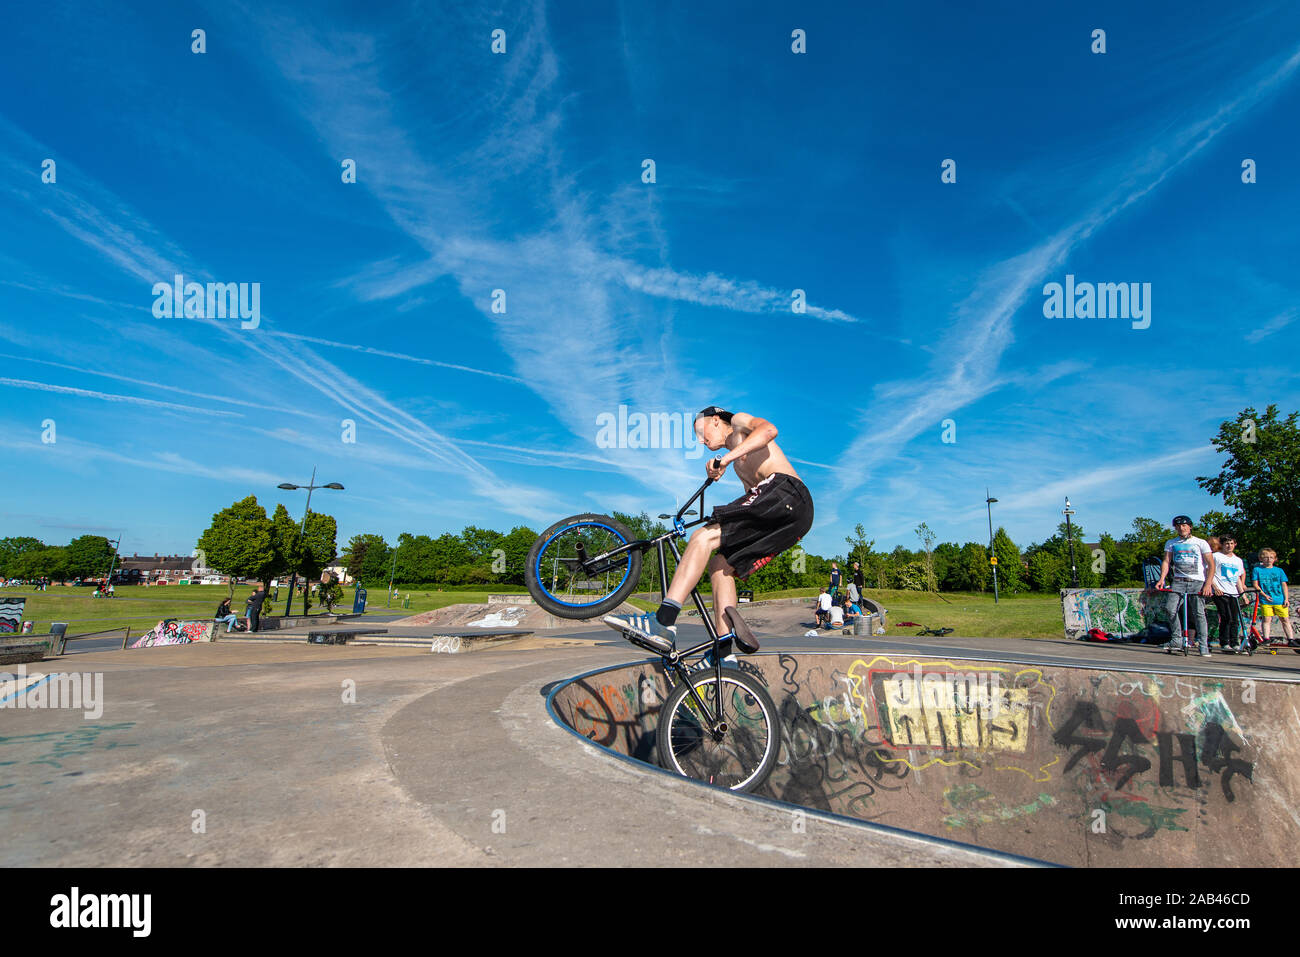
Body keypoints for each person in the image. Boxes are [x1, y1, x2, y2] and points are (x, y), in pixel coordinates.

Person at [604, 406, 814, 655]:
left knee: (703, 536)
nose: (701, 441)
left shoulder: (738, 423)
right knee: (720, 565)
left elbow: (769, 430)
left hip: (788, 492)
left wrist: (725, 459)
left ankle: (663, 621)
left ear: (715, 420)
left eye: (701, 433)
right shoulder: (738, 466)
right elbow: (751, 507)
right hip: (792, 519)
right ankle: (724, 653)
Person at [1155, 515, 1215, 656]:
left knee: (1199, 612)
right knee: (1170, 609)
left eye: (1184, 525)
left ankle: (1203, 645)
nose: (1182, 528)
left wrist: (1208, 584)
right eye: (1178, 526)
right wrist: (1162, 579)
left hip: (1197, 581)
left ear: (1190, 526)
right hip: (1178, 581)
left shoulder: (1200, 543)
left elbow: (1211, 564)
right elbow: (1166, 561)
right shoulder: (1171, 543)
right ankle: (1177, 639)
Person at [1209, 535, 1247, 652]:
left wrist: (1243, 595)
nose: (1229, 546)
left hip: (1233, 593)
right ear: (1222, 545)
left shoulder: (1237, 560)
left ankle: (1235, 642)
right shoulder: (1216, 556)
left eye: (1231, 543)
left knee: (1235, 619)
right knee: (1226, 617)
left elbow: (1237, 579)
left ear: (1235, 544)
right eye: (1226, 544)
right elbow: (1209, 572)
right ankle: (1224, 642)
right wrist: (1215, 587)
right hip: (1220, 591)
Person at [1251, 549, 1294, 646]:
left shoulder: (1279, 570)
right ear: (1261, 558)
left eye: (1271, 557)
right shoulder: (1257, 570)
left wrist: (1286, 599)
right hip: (1266, 600)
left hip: (1279, 600)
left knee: (1285, 619)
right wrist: (1264, 595)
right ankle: (1266, 638)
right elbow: (1255, 584)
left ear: (1274, 559)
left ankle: (1290, 639)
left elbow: (1284, 585)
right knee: (1266, 619)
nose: (1268, 559)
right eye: (1266, 557)